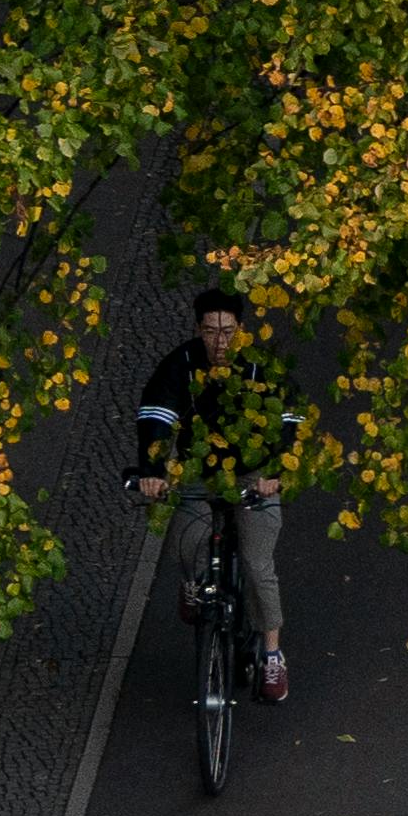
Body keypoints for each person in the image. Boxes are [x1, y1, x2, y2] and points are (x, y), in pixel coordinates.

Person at [127, 281, 297, 700]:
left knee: (259, 564)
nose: (219, 341)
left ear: (240, 328)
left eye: (227, 331)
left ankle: (272, 656)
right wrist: (152, 470)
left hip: (253, 474)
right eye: (210, 331)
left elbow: (289, 422)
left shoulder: (263, 367)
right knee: (189, 539)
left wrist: (275, 472)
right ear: (198, 329)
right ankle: (194, 581)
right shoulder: (180, 366)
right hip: (199, 472)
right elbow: (156, 416)